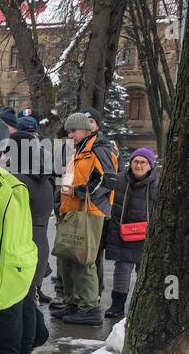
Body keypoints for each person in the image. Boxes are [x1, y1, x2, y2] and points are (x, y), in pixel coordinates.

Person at [0, 114, 55, 354]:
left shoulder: (16, 179)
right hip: (37, 246)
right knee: (28, 304)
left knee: (10, 306)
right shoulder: (45, 180)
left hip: (17, 244)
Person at [52, 111, 117, 326]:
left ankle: (89, 308)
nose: (70, 134)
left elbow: (108, 180)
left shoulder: (99, 149)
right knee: (68, 257)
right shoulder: (78, 150)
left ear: (87, 130)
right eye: (68, 131)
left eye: (74, 130)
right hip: (72, 210)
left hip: (89, 211)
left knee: (83, 260)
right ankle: (73, 303)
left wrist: (79, 192)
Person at [103, 147, 159, 321]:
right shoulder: (119, 180)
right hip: (123, 233)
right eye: (135, 161)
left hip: (147, 236)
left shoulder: (159, 184)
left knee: (146, 273)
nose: (138, 165)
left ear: (150, 166)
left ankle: (144, 307)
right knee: (122, 270)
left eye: (143, 162)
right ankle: (117, 306)